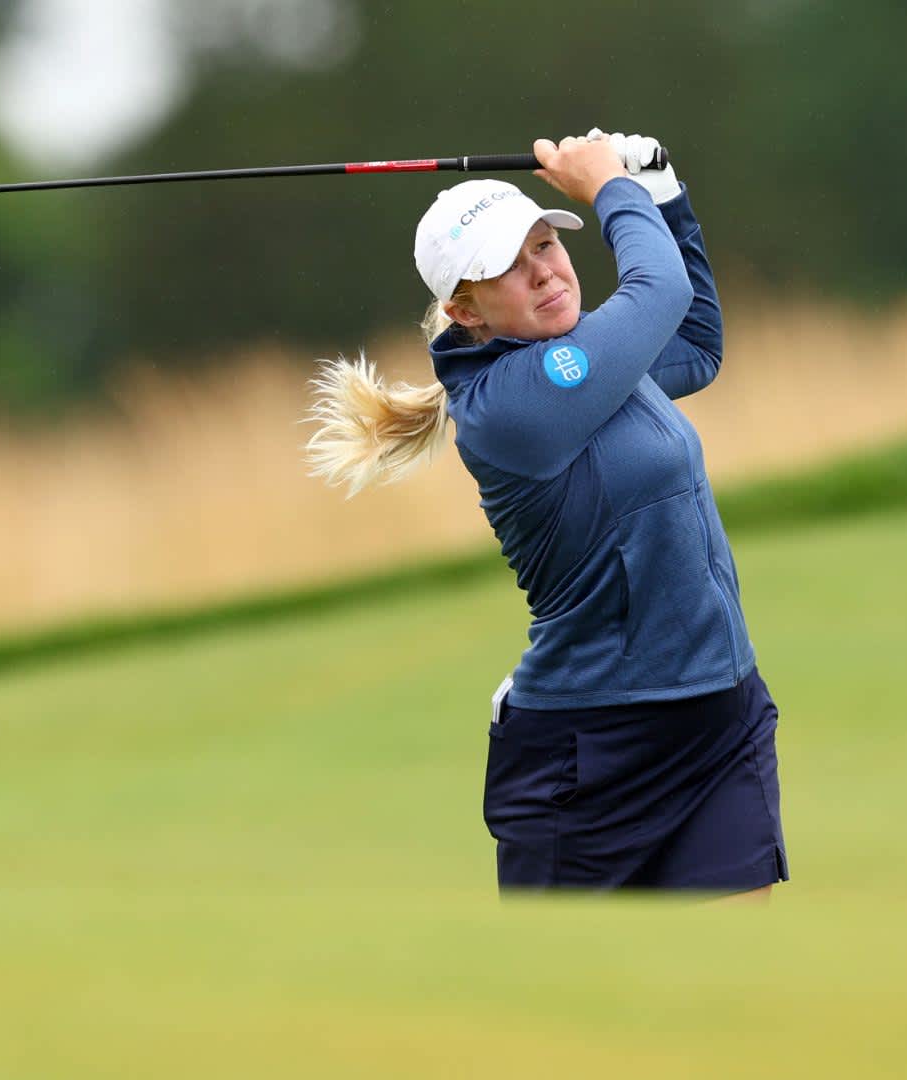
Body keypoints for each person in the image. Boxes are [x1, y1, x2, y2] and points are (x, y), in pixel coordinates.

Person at [305, 132, 787, 896]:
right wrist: (607, 189)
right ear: (465, 308)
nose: (545, 272)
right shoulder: (509, 409)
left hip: (716, 715)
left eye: (544, 245)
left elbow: (693, 340)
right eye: (509, 266)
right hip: (593, 752)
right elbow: (658, 294)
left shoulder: (590, 355)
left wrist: (660, 188)